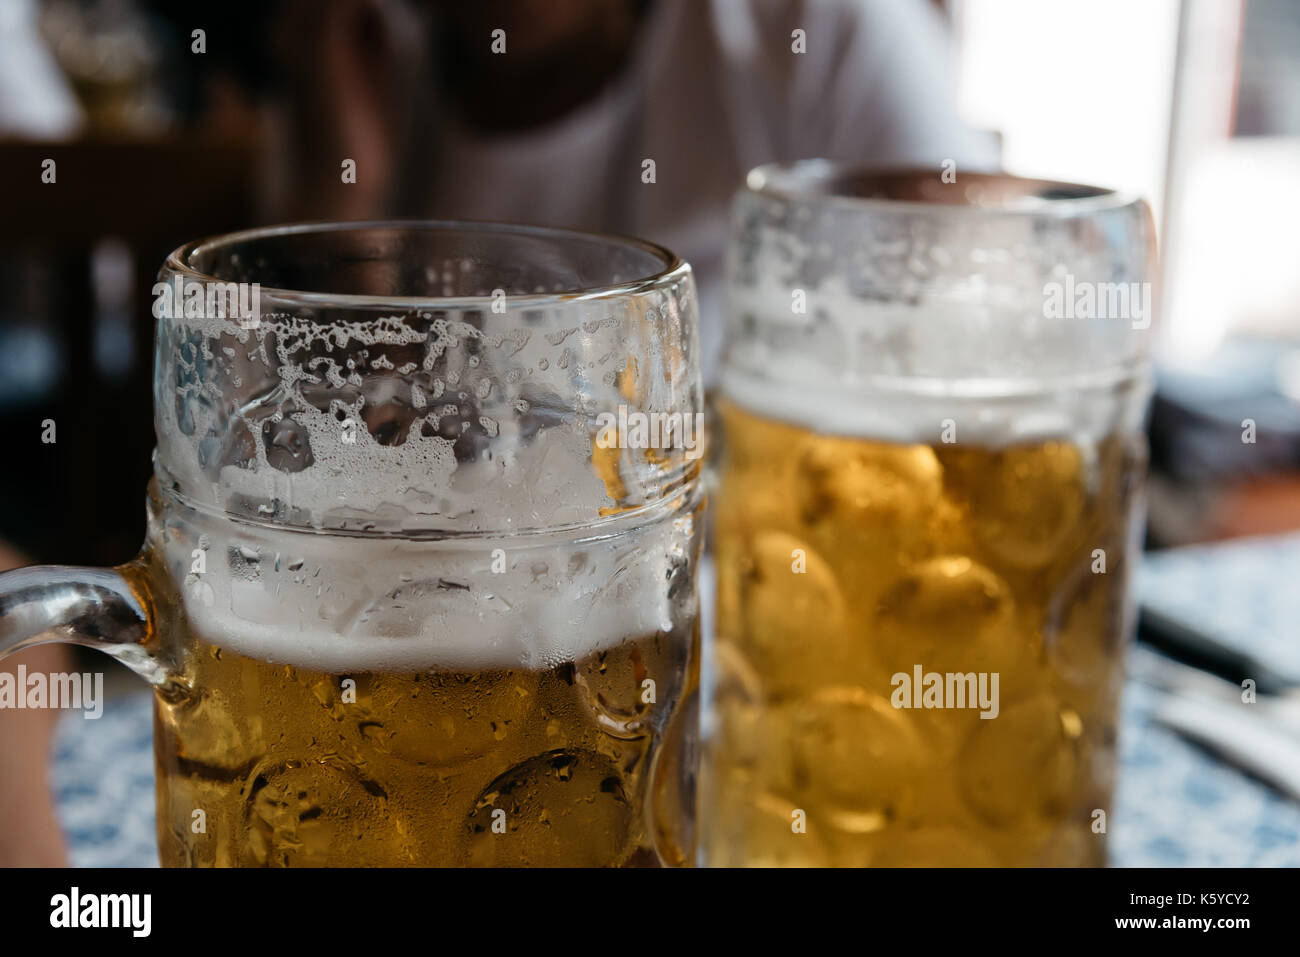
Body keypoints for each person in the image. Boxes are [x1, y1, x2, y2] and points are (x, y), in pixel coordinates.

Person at [1, 0, 995, 865]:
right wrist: (344, 174)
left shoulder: (803, 28)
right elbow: (260, 472)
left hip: (792, 693)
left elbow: (984, 286)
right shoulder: (374, 66)